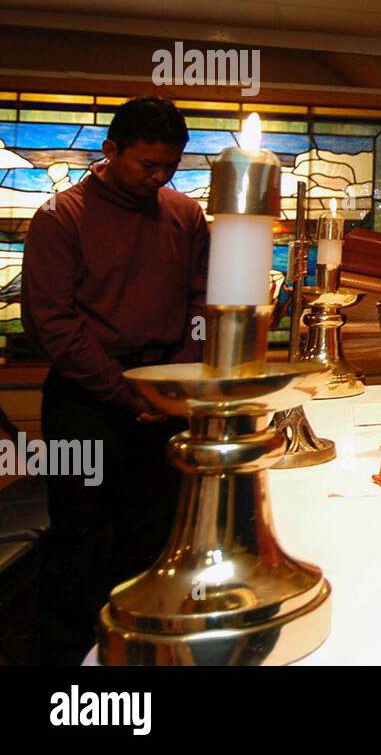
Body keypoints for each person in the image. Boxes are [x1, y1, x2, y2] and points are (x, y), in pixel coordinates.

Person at [21, 95, 209, 664]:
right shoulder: (62, 217)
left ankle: (141, 646)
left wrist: (174, 378)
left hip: (164, 392)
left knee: (153, 533)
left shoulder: (184, 214)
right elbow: (52, 323)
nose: (158, 176)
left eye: (169, 166)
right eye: (146, 164)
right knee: (79, 531)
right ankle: (68, 656)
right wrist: (126, 392)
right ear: (110, 150)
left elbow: (202, 302)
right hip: (86, 397)